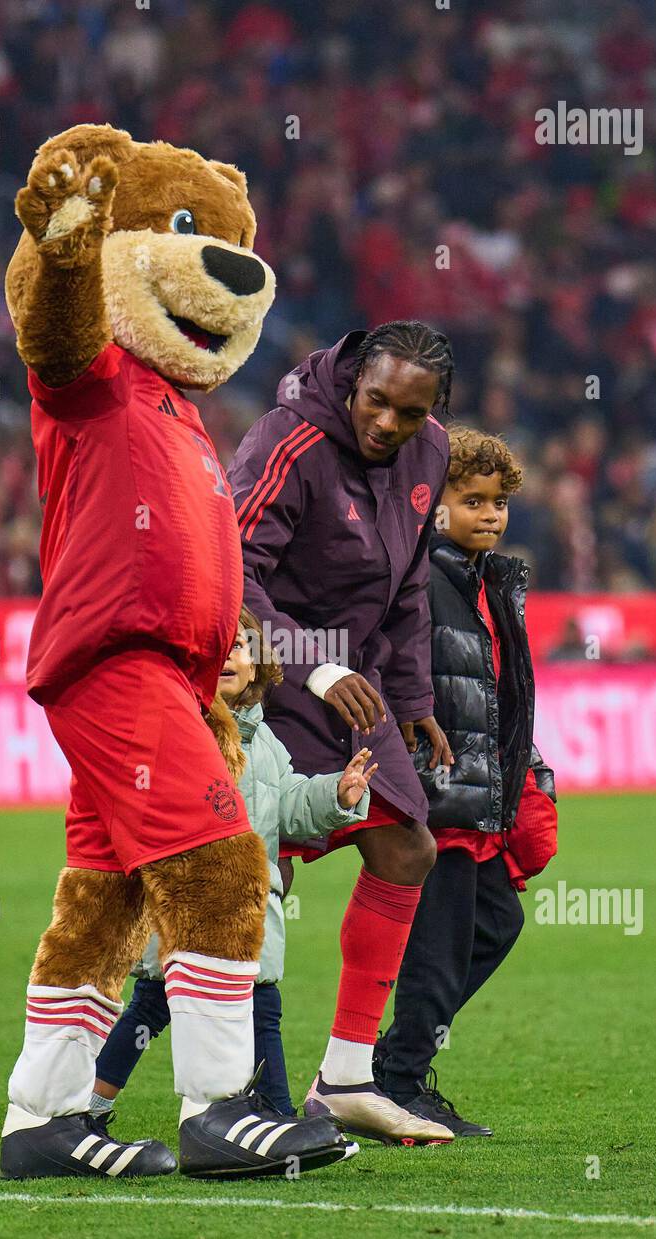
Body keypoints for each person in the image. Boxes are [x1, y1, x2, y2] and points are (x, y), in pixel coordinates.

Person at [228, 320, 458, 1144]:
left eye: (408, 411)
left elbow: (405, 592)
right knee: (250, 888)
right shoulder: (288, 442)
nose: (387, 424)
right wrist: (311, 665)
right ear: (353, 379)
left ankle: (347, 1077)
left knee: (406, 847)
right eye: (376, 402)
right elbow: (230, 569)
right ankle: (227, 1094)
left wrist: (414, 696)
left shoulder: (430, 453)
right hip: (261, 684)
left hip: (354, 688)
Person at [90, 606, 376, 1118]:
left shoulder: (263, 741)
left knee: (228, 1003)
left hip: (247, 902)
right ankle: (94, 1103)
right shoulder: (180, 731)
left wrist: (337, 793)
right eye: (213, 645)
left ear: (259, 663)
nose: (227, 655)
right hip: (185, 901)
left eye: (239, 645)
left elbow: (288, 802)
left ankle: (274, 1116)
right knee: (170, 1005)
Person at [373, 426, 558, 1136]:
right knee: (438, 945)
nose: (489, 514)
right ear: (433, 502)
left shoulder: (484, 580)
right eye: (471, 499)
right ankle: (398, 1080)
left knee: (493, 923)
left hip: (474, 793)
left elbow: (494, 693)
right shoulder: (417, 576)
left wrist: (522, 777)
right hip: (434, 795)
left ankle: (392, 1065)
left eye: (500, 502)